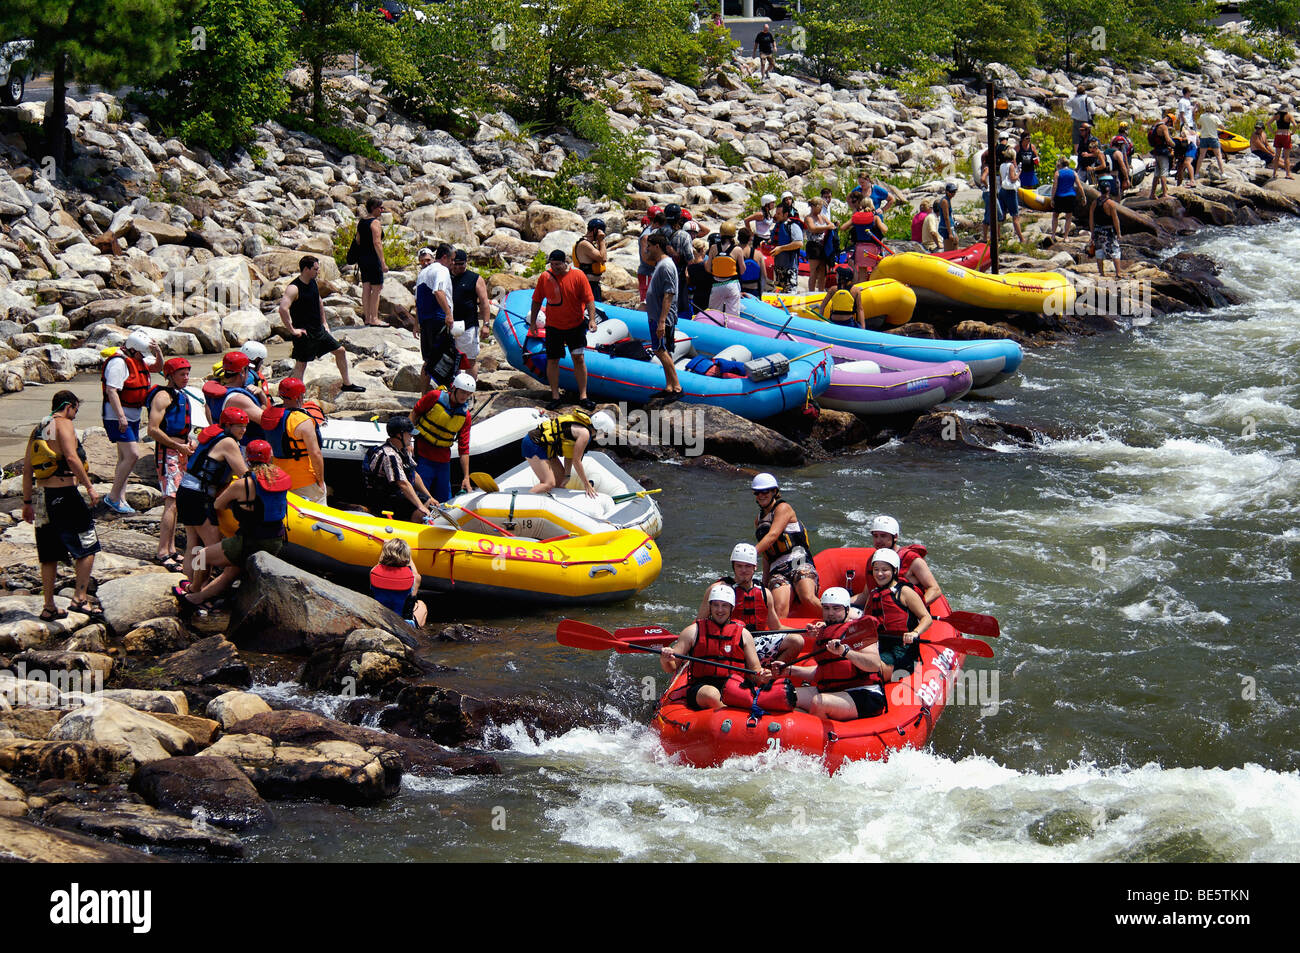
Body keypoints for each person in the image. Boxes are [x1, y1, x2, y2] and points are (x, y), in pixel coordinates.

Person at [177, 439, 291, 615]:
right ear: (270, 458)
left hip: (249, 542)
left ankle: (193, 588)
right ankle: (198, 598)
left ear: (247, 459)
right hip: (276, 541)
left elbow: (218, 505)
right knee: (230, 573)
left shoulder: (242, 485)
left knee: (201, 555)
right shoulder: (279, 479)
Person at [23, 391, 102, 620]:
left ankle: (48, 606)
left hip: (41, 497)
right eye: (75, 410)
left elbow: (28, 470)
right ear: (69, 406)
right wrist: (89, 486)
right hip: (64, 493)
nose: (74, 415)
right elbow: (70, 457)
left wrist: (27, 502)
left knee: (49, 552)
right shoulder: (63, 423)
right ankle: (80, 598)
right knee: (88, 544)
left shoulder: (39, 427)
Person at [778, 588, 890, 721]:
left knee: (819, 702)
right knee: (784, 697)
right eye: (826, 608)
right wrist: (789, 670)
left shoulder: (860, 629)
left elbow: (874, 665)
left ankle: (820, 736)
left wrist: (846, 652)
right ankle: (801, 730)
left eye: (836, 608)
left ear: (847, 610)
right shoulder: (824, 632)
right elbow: (825, 672)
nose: (830, 613)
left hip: (864, 693)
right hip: (833, 692)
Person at [175, 406, 250, 595]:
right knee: (208, 548)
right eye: (239, 426)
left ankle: (189, 582)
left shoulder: (215, 437)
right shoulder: (228, 442)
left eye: (245, 426)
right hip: (198, 497)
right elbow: (245, 474)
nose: (243, 430)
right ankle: (198, 588)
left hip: (186, 492)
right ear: (227, 426)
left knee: (195, 542)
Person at [660, 584, 770, 712]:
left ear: (731, 608)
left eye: (724, 605)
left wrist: (762, 675)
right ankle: (731, 714)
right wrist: (665, 659)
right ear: (710, 607)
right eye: (716, 605)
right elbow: (671, 667)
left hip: (734, 687)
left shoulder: (744, 635)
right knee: (711, 694)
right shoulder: (692, 632)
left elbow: (755, 670)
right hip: (701, 688)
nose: (720, 610)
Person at [101, 329, 164, 515]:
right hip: (118, 417)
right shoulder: (118, 363)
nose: (143, 358)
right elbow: (112, 391)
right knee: (132, 455)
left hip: (133, 416)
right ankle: (113, 497)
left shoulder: (138, 358)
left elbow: (158, 367)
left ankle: (120, 497)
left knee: (123, 458)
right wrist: (121, 417)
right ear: (133, 350)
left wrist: (158, 351)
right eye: (141, 354)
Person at [280, 256, 365, 393]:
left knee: (340, 351)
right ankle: (295, 394)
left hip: (319, 330)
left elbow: (319, 301)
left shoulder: (313, 282)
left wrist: (324, 322)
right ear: (306, 269)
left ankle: (347, 384)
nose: (318, 271)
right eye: (315, 269)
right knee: (301, 364)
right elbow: (283, 309)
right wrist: (292, 330)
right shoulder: (294, 288)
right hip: (304, 333)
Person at [529, 249, 598, 411]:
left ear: (565, 262)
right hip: (554, 326)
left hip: (575, 325)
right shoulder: (545, 277)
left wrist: (593, 320)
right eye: (552, 265)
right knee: (552, 360)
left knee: (578, 358)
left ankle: (583, 396)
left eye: (558, 264)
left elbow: (589, 299)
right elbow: (536, 300)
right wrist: (533, 323)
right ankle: (555, 396)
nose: (555, 267)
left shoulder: (578, 276)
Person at [697, 543, 792, 658]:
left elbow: (776, 628)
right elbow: (699, 623)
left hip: (756, 643)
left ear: (755, 567)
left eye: (747, 566)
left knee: (796, 641)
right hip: (726, 642)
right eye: (739, 566)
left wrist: (807, 631)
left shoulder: (764, 593)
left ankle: (772, 672)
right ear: (733, 566)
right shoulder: (717, 590)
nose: (743, 570)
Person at [145, 357, 196, 571]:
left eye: (187, 374)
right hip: (168, 454)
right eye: (181, 374)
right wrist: (178, 447)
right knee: (171, 501)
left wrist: (188, 443)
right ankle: (162, 552)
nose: (186, 378)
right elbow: (153, 430)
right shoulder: (162, 396)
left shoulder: (181, 395)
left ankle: (172, 548)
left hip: (182, 451)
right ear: (170, 376)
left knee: (178, 502)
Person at [750, 472, 819, 618]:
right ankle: (782, 638)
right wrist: (764, 580)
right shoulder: (758, 520)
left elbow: (773, 536)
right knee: (779, 610)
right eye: (757, 492)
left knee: (807, 597)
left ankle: (841, 620)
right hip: (777, 569)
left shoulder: (783, 508)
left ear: (774, 491)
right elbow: (767, 553)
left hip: (798, 561)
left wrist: (749, 554)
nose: (761, 495)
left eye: (765, 491)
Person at [409, 371, 476, 502]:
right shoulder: (434, 397)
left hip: (443, 461)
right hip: (422, 454)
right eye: (463, 392)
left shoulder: (465, 416)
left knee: (445, 499)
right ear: (454, 388)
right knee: (421, 497)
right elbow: (414, 415)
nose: (465, 397)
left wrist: (466, 477)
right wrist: (407, 443)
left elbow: (464, 448)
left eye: (468, 394)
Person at [853, 515, 942, 607]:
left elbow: (935, 589)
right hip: (881, 611)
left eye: (883, 536)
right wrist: (844, 603)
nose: (878, 540)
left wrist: (915, 609)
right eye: (875, 536)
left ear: (895, 537)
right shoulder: (875, 560)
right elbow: (865, 596)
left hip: (906, 614)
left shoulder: (912, 559)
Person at [523, 409, 615, 497]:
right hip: (533, 444)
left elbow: (569, 454)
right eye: (605, 434)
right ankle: (521, 503)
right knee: (549, 483)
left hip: (546, 447)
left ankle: (546, 499)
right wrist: (586, 484)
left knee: (560, 478)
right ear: (600, 430)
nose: (604, 437)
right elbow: (576, 461)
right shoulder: (584, 434)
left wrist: (567, 475)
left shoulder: (584, 426)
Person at [262, 377, 327, 503]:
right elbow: (315, 454)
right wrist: (320, 481)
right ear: (299, 397)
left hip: (278, 478)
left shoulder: (269, 415)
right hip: (304, 481)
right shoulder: (302, 421)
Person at [364, 416, 434, 522]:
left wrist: (430, 497)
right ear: (399, 435)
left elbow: (414, 474)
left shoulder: (403, 451)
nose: (412, 437)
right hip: (383, 499)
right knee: (421, 504)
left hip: (396, 495)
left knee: (426, 499)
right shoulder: (389, 455)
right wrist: (421, 506)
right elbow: (403, 483)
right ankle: (413, 528)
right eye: (409, 434)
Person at [642, 233, 684, 400]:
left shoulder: (666, 265)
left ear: (657, 246)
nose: (647, 250)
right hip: (656, 315)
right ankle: (669, 386)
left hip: (662, 317)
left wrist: (661, 321)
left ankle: (677, 387)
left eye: (649, 246)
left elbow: (669, 293)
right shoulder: (661, 264)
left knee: (660, 350)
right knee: (662, 349)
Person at [201, 351, 268, 442]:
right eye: (248, 370)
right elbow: (268, 422)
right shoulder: (239, 399)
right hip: (247, 447)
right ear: (242, 372)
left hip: (227, 442)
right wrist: (263, 400)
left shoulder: (216, 393)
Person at [416, 244, 457, 392]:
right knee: (446, 359)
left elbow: (418, 300)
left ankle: (424, 396)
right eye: (452, 259)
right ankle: (445, 395)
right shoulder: (442, 270)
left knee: (428, 361)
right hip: (438, 319)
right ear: (444, 257)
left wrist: (417, 323)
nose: (453, 263)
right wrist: (448, 313)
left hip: (425, 321)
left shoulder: (423, 272)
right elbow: (438, 291)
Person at [449, 249, 491, 379]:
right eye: (455, 264)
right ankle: (452, 390)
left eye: (461, 264)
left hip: (468, 326)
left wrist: (486, 324)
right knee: (450, 360)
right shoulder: (445, 276)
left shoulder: (475, 278)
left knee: (469, 361)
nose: (457, 267)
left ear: (466, 263)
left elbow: (484, 302)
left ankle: (470, 392)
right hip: (448, 324)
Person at [370, 538, 429, 627]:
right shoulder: (415, 578)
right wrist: (408, 555)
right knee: (421, 604)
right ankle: (417, 633)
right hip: (403, 624)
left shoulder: (373, 572)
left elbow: (379, 564)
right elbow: (415, 573)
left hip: (380, 618)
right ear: (406, 556)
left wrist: (384, 546)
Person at [356, 197, 387, 327]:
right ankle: (374, 318)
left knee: (366, 288)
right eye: (381, 207)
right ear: (374, 208)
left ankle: (367, 318)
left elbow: (358, 239)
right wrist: (383, 262)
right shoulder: (375, 223)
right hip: (373, 259)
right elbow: (377, 242)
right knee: (377, 288)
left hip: (362, 258)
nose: (382, 210)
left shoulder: (362, 222)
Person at [659, 204, 694, 319]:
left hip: (660, 274)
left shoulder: (657, 233)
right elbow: (690, 260)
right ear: (679, 218)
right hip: (678, 276)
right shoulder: (684, 236)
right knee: (679, 307)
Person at [706, 221, 744, 315]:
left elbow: (707, 268)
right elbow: (742, 270)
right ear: (733, 235)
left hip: (717, 285)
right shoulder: (738, 250)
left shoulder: (714, 248)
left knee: (714, 314)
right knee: (733, 314)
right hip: (732, 284)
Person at [1089, 179, 1124, 278]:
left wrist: (1092, 232)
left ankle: (1101, 273)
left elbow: (1091, 218)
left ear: (1100, 190)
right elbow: (1116, 220)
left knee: (1099, 251)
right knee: (1115, 251)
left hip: (1098, 230)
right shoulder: (1111, 204)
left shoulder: (1094, 203)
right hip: (1109, 231)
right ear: (1109, 190)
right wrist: (1119, 233)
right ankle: (1118, 273)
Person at [769, 203, 804, 294]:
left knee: (789, 293)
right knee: (778, 294)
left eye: (779, 214)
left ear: (786, 214)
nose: (776, 215)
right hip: (778, 268)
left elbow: (799, 243)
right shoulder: (777, 226)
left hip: (790, 268)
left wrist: (781, 248)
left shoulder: (793, 226)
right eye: (776, 213)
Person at [573, 218, 607, 303]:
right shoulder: (584, 244)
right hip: (588, 285)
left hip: (594, 285)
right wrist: (601, 240)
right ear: (595, 230)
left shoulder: (590, 244)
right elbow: (603, 258)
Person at [804, 197, 833, 292]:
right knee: (814, 271)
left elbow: (831, 225)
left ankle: (821, 290)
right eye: (819, 206)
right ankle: (811, 291)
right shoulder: (808, 218)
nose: (821, 209)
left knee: (823, 271)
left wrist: (830, 225)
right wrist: (827, 227)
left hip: (823, 245)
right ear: (813, 206)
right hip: (813, 245)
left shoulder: (823, 217)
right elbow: (812, 228)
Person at [997, 150, 1026, 243]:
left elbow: (1001, 179)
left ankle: (998, 235)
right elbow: (1013, 178)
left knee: (1002, 214)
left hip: (1002, 190)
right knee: (1015, 216)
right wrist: (1019, 173)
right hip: (1010, 191)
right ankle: (1021, 238)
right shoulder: (1011, 166)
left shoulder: (1001, 165)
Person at [637, 206, 663, 303]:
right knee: (646, 302)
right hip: (647, 273)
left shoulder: (654, 231)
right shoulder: (646, 235)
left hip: (653, 273)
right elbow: (645, 258)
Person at [1050, 157, 1079, 240]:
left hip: (1059, 196)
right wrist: (1083, 196)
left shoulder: (1057, 173)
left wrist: (1052, 198)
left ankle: (1053, 235)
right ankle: (1066, 237)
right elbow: (1079, 186)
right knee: (1068, 217)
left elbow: (1054, 186)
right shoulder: (1073, 173)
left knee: (1055, 216)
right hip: (1070, 196)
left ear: (1060, 164)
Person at [1195, 104, 1226, 180]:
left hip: (1204, 137)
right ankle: (1223, 173)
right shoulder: (1215, 117)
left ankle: (1196, 174)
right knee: (1218, 156)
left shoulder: (1202, 117)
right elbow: (1222, 128)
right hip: (1213, 137)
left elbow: (1199, 126)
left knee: (1201, 156)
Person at [1148, 113, 1175, 199]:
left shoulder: (1155, 125)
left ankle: (1152, 194)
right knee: (1164, 172)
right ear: (1170, 120)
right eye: (1171, 123)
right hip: (1163, 152)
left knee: (1157, 173)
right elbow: (1168, 139)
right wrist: (1174, 144)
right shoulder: (1164, 127)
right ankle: (1165, 193)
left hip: (1156, 151)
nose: (1170, 125)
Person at [1067, 83, 1099, 151]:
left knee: (1076, 138)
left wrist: (1074, 96)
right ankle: (1088, 151)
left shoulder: (1074, 99)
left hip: (1076, 121)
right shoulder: (1088, 99)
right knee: (1087, 137)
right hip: (1085, 121)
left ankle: (1077, 153)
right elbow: (1093, 110)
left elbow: (1067, 103)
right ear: (1084, 91)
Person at [737, 227, 765, 298]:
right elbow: (764, 276)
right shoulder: (758, 254)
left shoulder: (733, 253)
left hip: (739, 290)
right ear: (750, 239)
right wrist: (761, 294)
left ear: (738, 238)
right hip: (754, 290)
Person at [1268, 105, 1294, 179]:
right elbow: (1295, 125)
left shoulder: (1276, 116)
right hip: (1286, 135)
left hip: (1278, 135)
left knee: (1277, 155)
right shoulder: (1289, 116)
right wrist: (1292, 132)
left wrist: (1272, 132)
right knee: (1286, 157)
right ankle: (1288, 174)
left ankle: (1274, 173)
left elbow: (1268, 123)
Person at [687, 238, 712, 315]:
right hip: (708, 297)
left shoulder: (690, 267)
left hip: (696, 298)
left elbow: (689, 283)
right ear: (701, 249)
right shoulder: (706, 265)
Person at [935, 182, 958, 251]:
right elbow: (946, 217)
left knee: (956, 241)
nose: (953, 193)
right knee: (949, 247)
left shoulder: (948, 200)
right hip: (945, 227)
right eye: (951, 192)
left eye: (954, 192)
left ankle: (956, 256)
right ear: (947, 192)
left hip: (950, 226)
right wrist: (950, 233)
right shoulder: (944, 201)